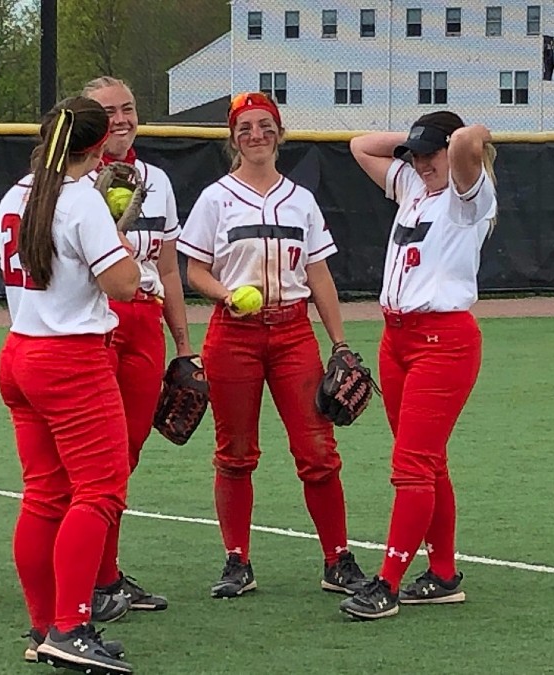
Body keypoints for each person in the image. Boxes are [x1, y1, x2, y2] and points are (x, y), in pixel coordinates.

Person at [176, 91, 368, 599]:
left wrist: (340, 343)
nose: (255, 135)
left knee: (318, 450)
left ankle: (337, 559)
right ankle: (237, 560)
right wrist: (224, 294)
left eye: (265, 126)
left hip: (291, 332)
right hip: (233, 333)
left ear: (279, 134)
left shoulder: (300, 199)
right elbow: (194, 269)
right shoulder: (216, 197)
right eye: (245, 128)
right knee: (235, 453)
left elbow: (319, 273)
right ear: (233, 139)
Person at [0, 95, 140, 674]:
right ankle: (72, 625)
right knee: (100, 492)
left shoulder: (17, 192)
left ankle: (44, 624)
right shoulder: (80, 200)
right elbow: (125, 284)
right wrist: (119, 230)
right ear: (99, 145)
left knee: (45, 496)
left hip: (20, 351)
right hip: (69, 359)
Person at [340, 111, 496, 620]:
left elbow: (471, 144)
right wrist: (413, 143)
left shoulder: (468, 195)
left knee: (411, 467)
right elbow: (360, 145)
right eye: (417, 155)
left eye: (431, 154)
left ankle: (387, 584)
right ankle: (444, 574)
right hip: (397, 340)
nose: (422, 163)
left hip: (443, 341)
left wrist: (454, 142)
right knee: (428, 463)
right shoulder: (413, 184)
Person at [80, 75, 188, 618]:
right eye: (107, 112)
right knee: (96, 454)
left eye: (128, 108)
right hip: (93, 319)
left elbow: (167, 266)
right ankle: (91, 577)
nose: (120, 119)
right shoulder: (69, 179)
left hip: (143, 318)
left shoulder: (157, 181)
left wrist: (184, 343)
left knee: (128, 451)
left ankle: (106, 572)